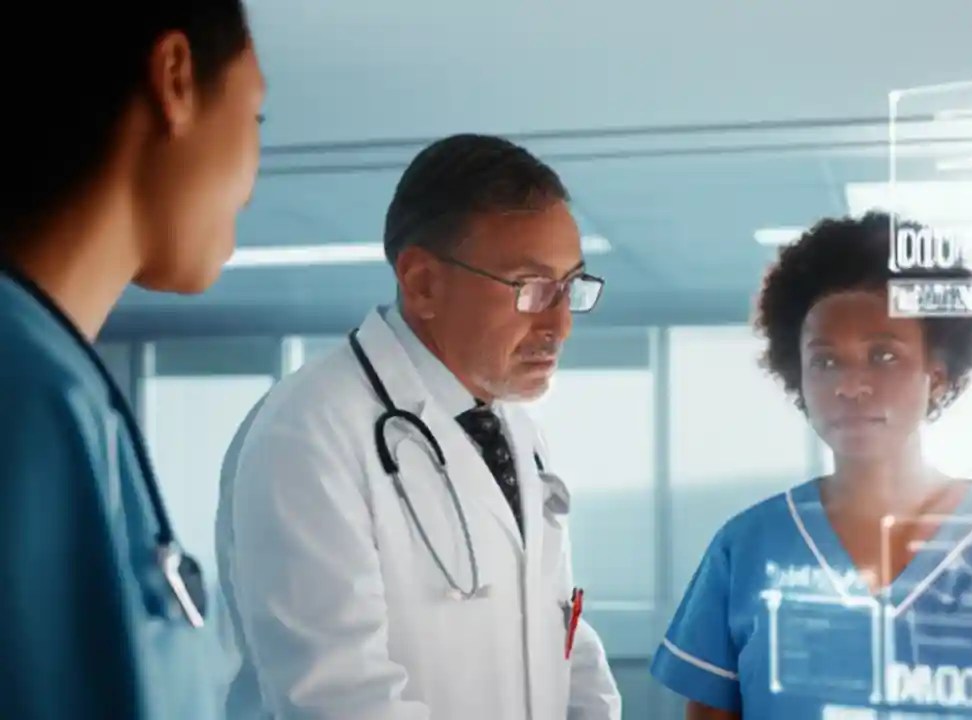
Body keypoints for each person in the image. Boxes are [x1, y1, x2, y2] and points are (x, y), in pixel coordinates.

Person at [651, 212, 972, 719]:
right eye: (825, 361)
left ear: (939, 375)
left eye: (883, 356)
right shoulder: (747, 550)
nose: (851, 385)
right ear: (798, 376)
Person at [216, 133, 622, 719]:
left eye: (569, 287)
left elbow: (561, 633)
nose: (560, 325)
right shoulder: (309, 431)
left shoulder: (516, 430)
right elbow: (339, 697)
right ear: (423, 282)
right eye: (532, 290)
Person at [0, 4, 265, 719]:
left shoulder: (51, 378)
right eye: (257, 119)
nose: (254, 172)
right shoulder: (29, 397)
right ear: (175, 79)